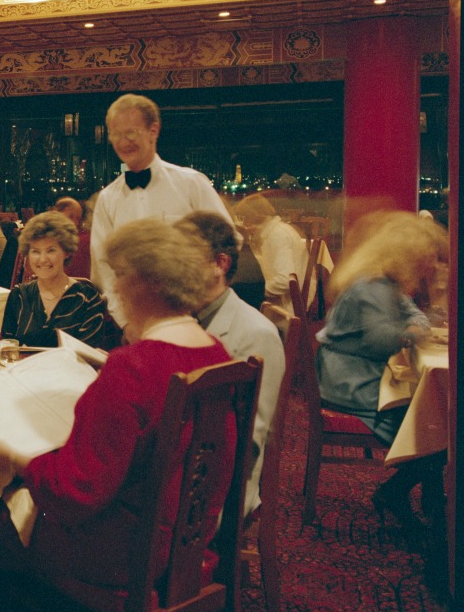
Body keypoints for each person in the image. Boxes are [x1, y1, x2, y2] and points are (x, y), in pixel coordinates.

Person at [0, 218, 235, 590]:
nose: (114, 286)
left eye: (120, 275)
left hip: (121, 552)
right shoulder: (217, 352)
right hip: (188, 539)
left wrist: (14, 458)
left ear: (149, 283)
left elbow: (76, 491)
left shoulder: (134, 366)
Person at [316, 211, 446, 535]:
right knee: (431, 427)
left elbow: (415, 315)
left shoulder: (384, 283)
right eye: (424, 260)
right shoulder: (371, 287)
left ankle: (426, 500)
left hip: (357, 372)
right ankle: (398, 494)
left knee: (431, 418)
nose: (428, 268)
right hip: (350, 380)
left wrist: (413, 327)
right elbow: (381, 340)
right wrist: (412, 332)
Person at [90, 93, 233, 327]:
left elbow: (227, 244)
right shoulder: (107, 199)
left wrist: (201, 305)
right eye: (116, 135)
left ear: (153, 131)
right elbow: (102, 268)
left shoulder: (190, 183)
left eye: (131, 133)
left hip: (196, 317)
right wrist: (127, 322)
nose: (123, 142)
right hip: (136, 322)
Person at [180, 211, 285, 515]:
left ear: (220, 264)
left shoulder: (256, 334)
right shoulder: (183, 315)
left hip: (217, 489)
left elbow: (249, 441)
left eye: (185, 260)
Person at [0, 211, 105, 348]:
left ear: (67, 252)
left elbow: (88, 355)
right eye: (36, 251)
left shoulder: (87, 299)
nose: (43, 259)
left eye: (51, 250)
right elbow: (7, 349)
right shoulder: (19, 295)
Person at [233, 194, 308, 322]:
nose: (244, 223)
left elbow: (285, 281)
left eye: (245, 218)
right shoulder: (274, 231)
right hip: (284, 300)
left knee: (238, 299)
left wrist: (256, 289)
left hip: (286, 307)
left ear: (258, 215)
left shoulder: (277, 235)